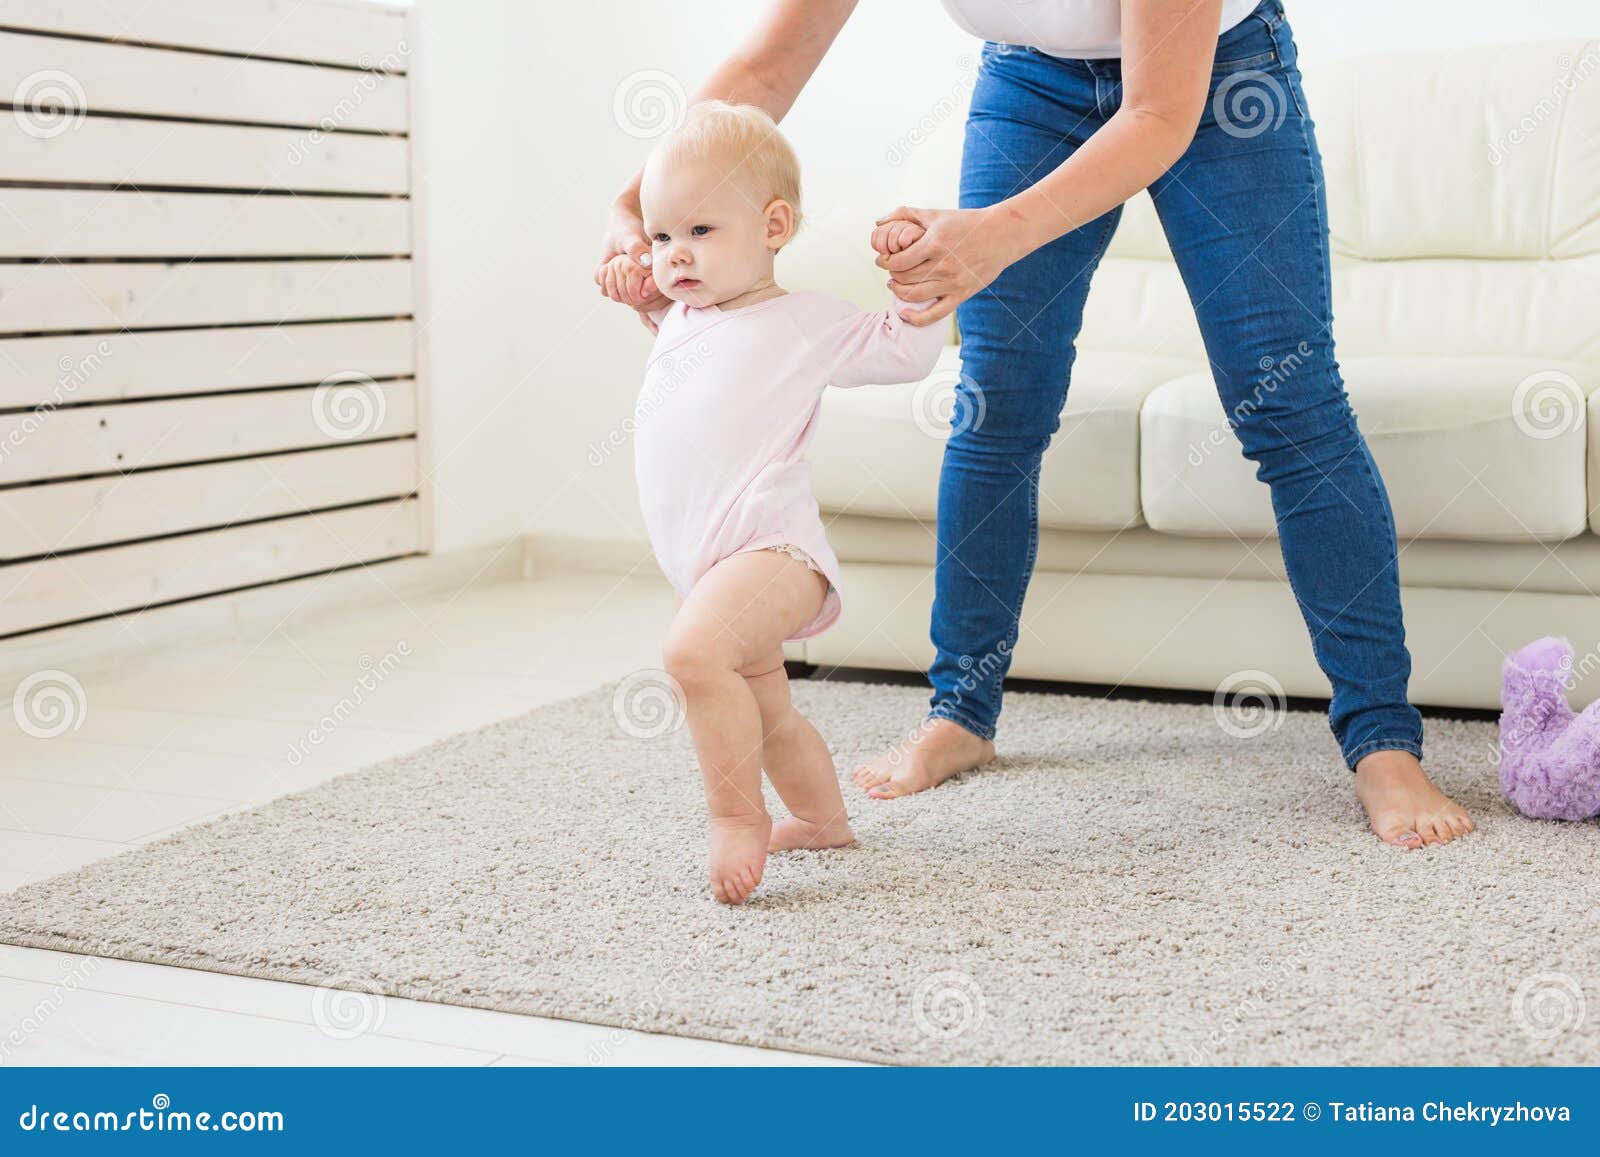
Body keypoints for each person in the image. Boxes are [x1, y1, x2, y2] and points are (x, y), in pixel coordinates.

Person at [597, 0, 1474, 851]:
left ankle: (1383, 742)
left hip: (1213, 83)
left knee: (1289, 404)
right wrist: (640, 207)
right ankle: (961, 713)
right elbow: (766, 65)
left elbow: (1159, 113)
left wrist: (996, 236)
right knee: (998, 402)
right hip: (1029, 82)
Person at [610, 100, 946, 903]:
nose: (674, 254)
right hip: (712, 561)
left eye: (700, 232)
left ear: (773, 225)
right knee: (767, 712)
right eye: (660, 237)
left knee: (694, 657)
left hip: (774, 553)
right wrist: (640, 299)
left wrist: (917, 281)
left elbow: (905, 352)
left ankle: (736, 815)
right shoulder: (686, 321)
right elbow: (702, 376)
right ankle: (824, 818)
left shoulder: (803, 321)